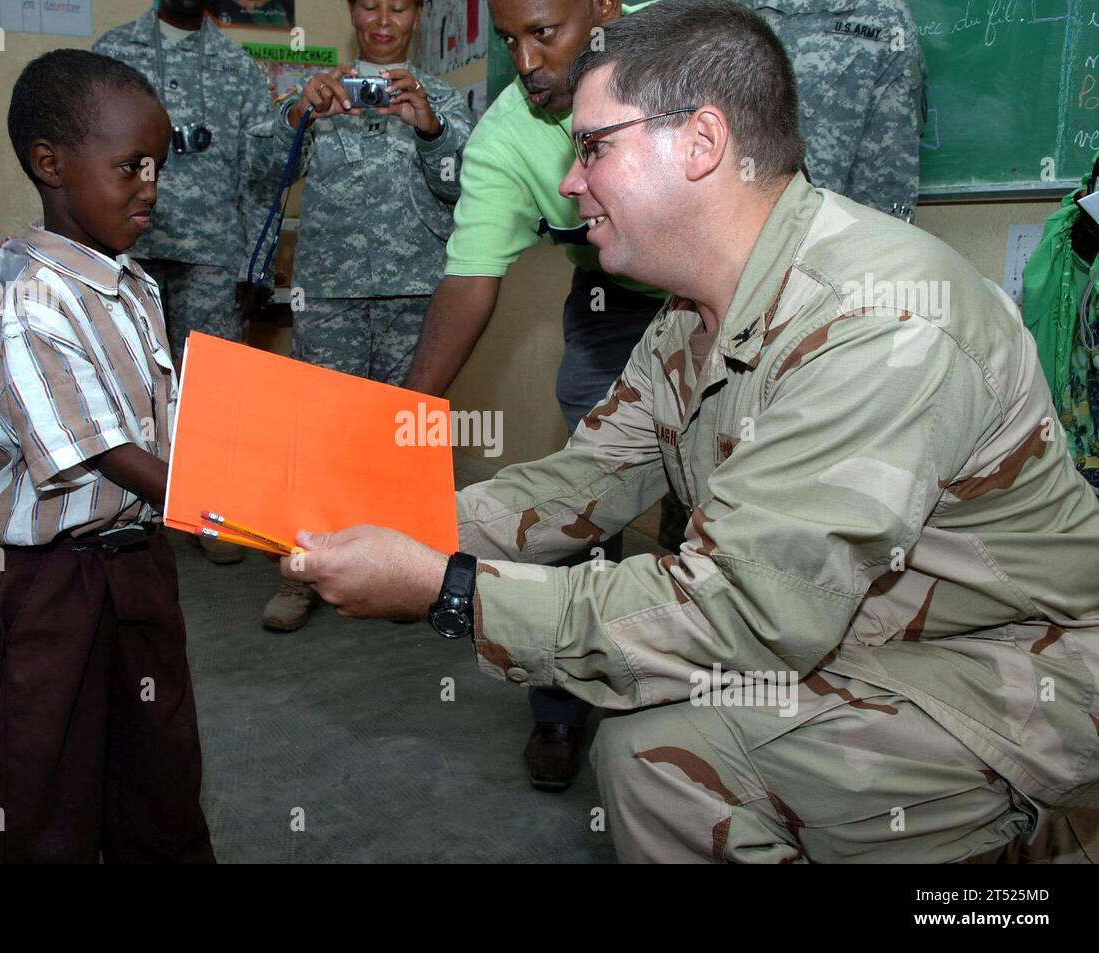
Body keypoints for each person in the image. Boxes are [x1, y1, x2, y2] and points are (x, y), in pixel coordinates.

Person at [280, 0, 1099, 863]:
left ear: (702, 144)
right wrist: (384, 519)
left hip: (1003, 674)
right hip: (864, 635)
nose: (568, 180)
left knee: (661, 753)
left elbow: (737, 611)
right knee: (653, 743)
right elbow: (580, 483)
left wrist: (448, 591)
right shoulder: (694, 314)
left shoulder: (877, 322)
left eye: (594, 146)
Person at [401, 0, 670, 792]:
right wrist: (400, 415)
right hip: (612, 305)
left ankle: (697, 699)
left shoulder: (681, 42)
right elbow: (469, 279)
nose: (523, 64)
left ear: (604, 11)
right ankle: (561, 704)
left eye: (543, 34)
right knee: (586, 504)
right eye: (509, 40)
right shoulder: (507, 135)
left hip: (725, 290)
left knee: (721, 504)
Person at [0, 50, 215, 863]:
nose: (150, 183)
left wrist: (212, 483)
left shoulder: (137, 288)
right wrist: (220, 502)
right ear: (51, 164)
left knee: (160, 761)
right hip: (56, 583)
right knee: (48, 779)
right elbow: (110, 451)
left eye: (156, 165)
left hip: (140, 561)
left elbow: (168, 421)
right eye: (129, 166)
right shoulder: (32, 304)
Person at [251, 0, 474, 633]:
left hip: (416, 294)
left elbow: (467, 187)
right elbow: (263, 171)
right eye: (369, 5)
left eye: (398, 6)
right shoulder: (315, 94)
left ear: (419, 15)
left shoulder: (444, 100)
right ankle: (300, 576)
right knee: (319, 441)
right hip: (329, 294)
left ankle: (417, 576)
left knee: (410, 441)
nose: (383, 19)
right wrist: (299, 114)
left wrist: (429, 128)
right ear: (352, 13)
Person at [94, 0, 274, 565]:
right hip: (128, 246)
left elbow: (259, 173)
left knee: (215, 389)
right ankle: (130, 503)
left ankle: (212, 514)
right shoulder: (110, 55)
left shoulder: (239, 67)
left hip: (212, 248)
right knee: (124, 381)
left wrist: (257, 261)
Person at [749, 0, 926, 220]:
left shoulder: (883, 18)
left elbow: (886, 182)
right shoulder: (707, 11)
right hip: (712, 239)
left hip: (825, 241)